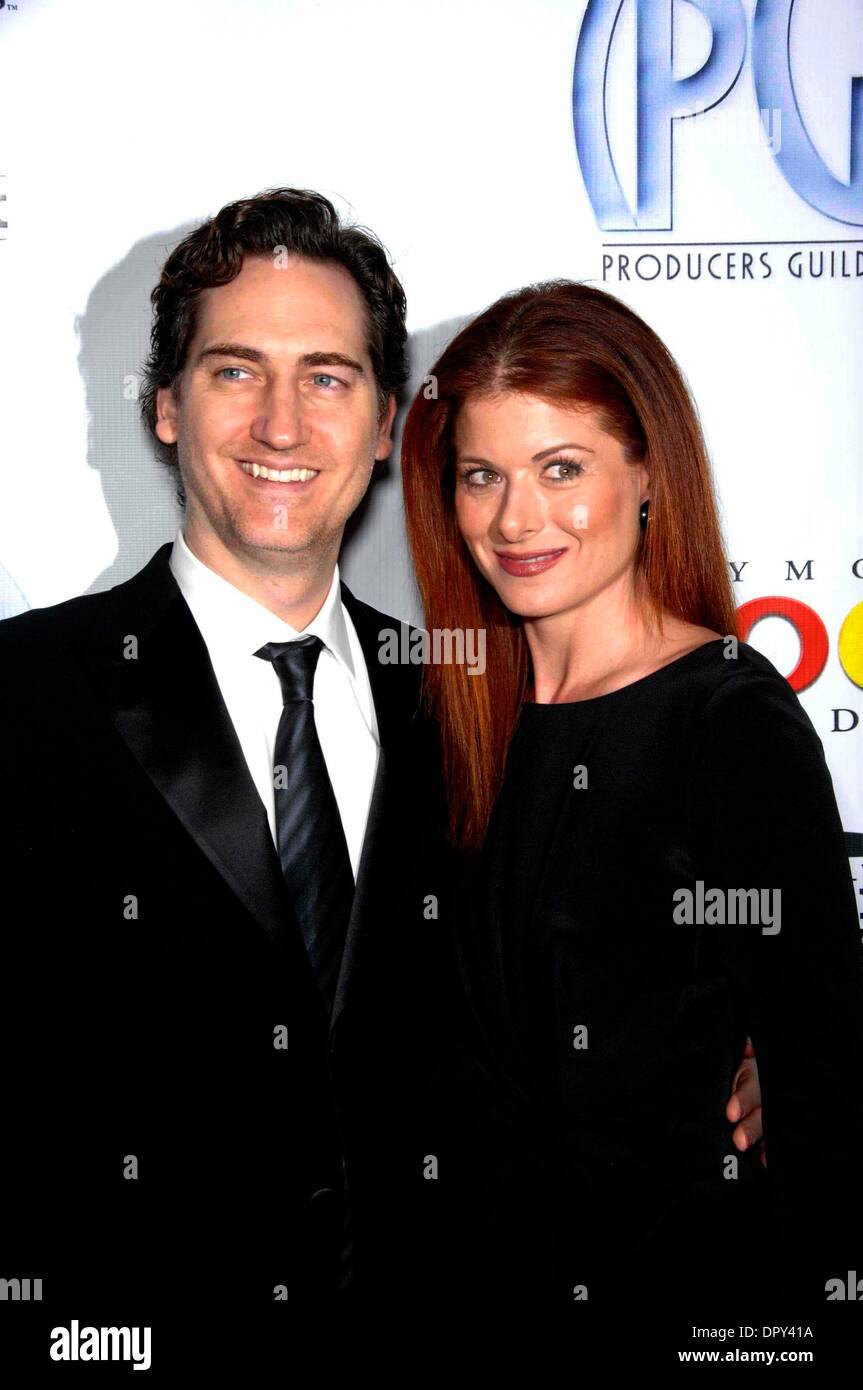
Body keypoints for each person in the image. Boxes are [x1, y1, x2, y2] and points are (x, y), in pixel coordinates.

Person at [0, 195, 761, 1348]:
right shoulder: (25, 689)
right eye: (233, 371)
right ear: (161, 407)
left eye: (326, 377)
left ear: (382, 424)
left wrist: (749, 1048)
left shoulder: (474, 704)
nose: (281, 423)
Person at [400, 280, 863, 1322]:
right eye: (481, 476)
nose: (515, 519)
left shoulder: (725, 726)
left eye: (560, 468)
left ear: (647, 470)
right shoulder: (443, 723)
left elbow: (827, 1097)